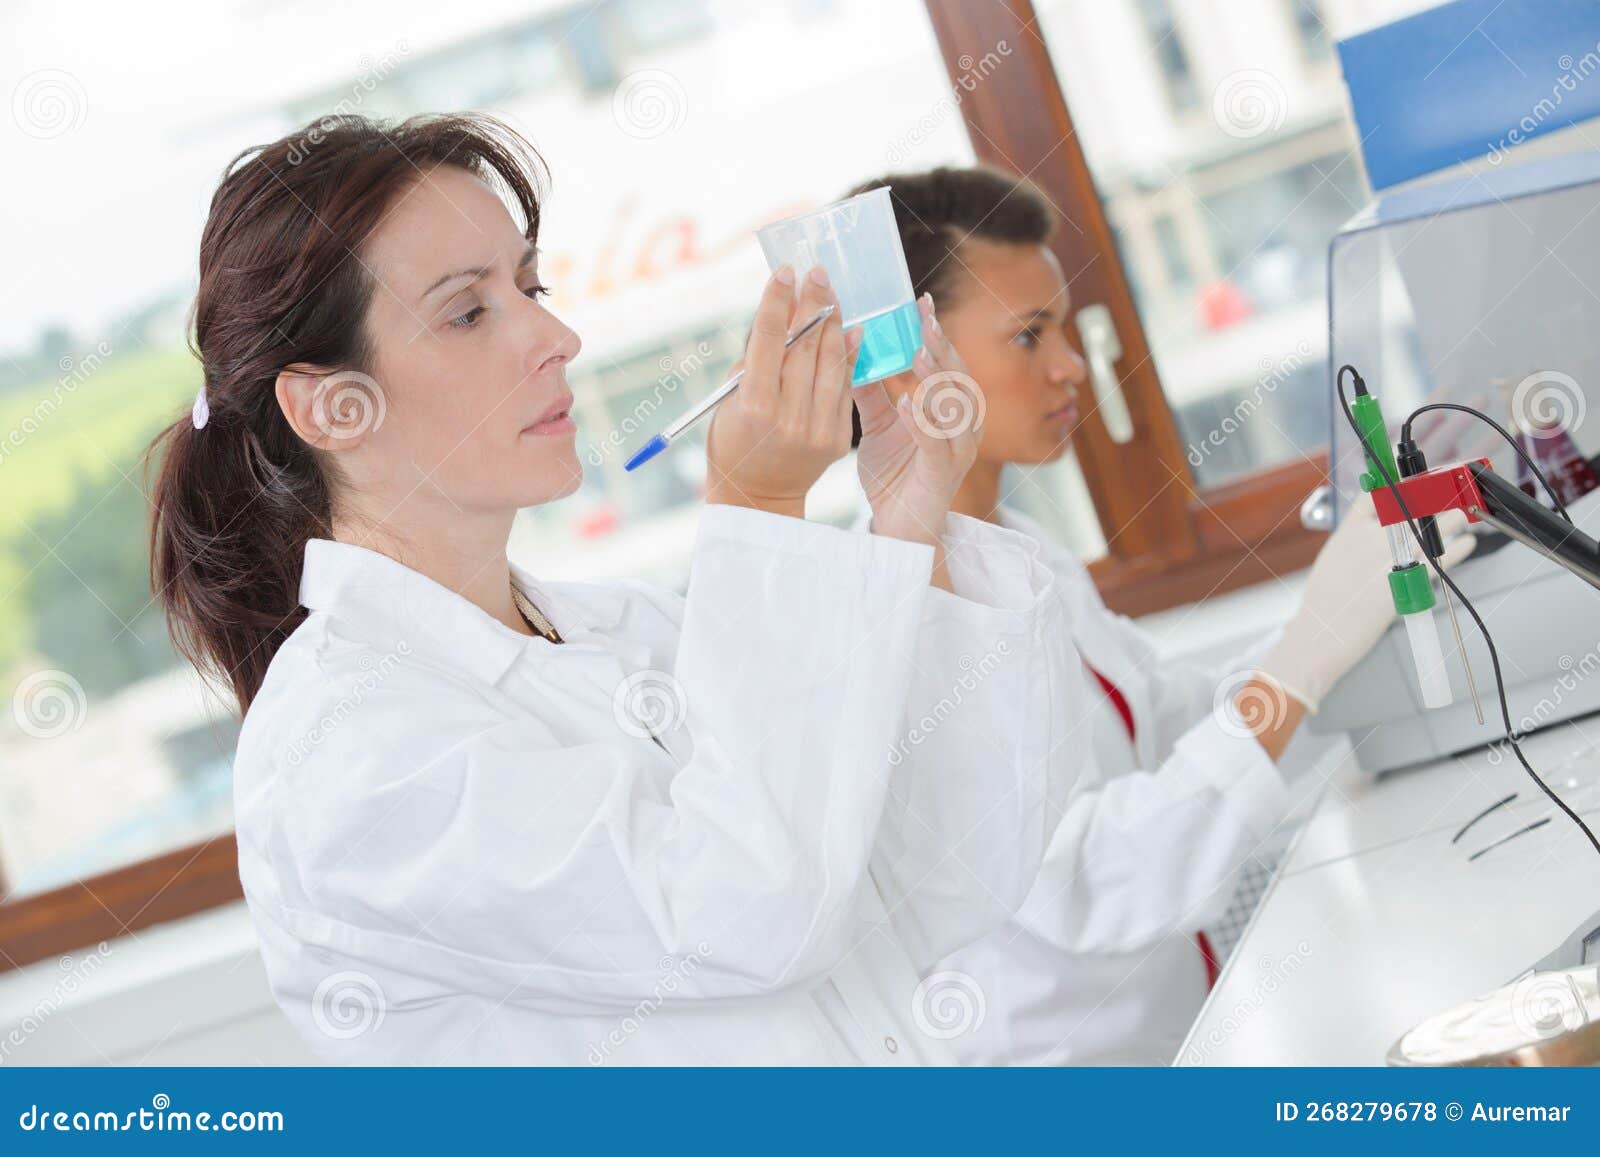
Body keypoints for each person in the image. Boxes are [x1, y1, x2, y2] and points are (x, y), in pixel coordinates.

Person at [147, 116, 1085, 1065]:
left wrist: (909, 516)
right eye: (469, 312)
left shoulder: (625, 629)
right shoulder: (350, 756)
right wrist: (758, 500)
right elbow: (749, 917)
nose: (558, 336)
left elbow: (928, 883)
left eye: (530, 286)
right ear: (328, 407)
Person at [844, 166, 1477, 1065]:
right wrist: (1307, 655)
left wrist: (1339, 621)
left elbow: (1166, 720)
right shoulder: (885, 609)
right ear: (911, 366)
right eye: (1030, 336)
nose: (1071, 365)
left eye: (1061, 325)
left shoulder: (1017, 544)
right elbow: (1088, 878)